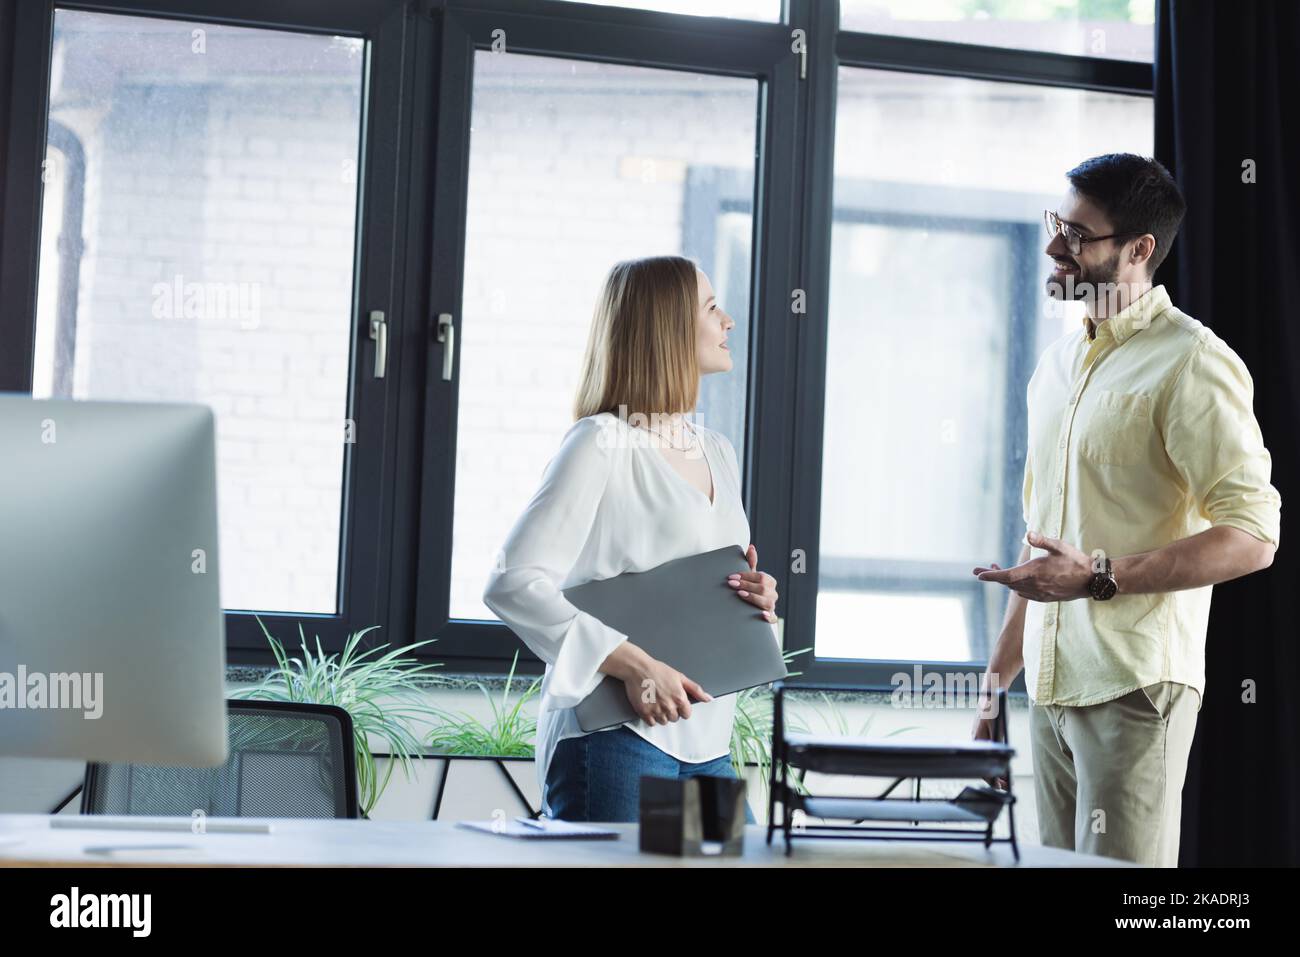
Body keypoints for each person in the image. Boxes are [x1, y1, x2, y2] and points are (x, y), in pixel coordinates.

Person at [972, 153, 1281, 867]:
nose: (1055, 246)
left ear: (1139, 250)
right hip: (1049, 688)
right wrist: (995, 682)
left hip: (1136, 689)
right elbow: (1050, 554)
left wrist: (1100, 576)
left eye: (1079, 235)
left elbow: (1254, 535)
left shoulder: (1193, 361)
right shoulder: (1055, 367)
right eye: (1058, 224)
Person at [482, 254, 779, 824]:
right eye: (712, 308)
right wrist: (632, 664)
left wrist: (755, 592)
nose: (729, 322)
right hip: (616, 737)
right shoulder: (600, 442)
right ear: (667, 328)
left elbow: (693, 571)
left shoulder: (718, 450)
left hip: (708, 738)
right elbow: (512, 582)